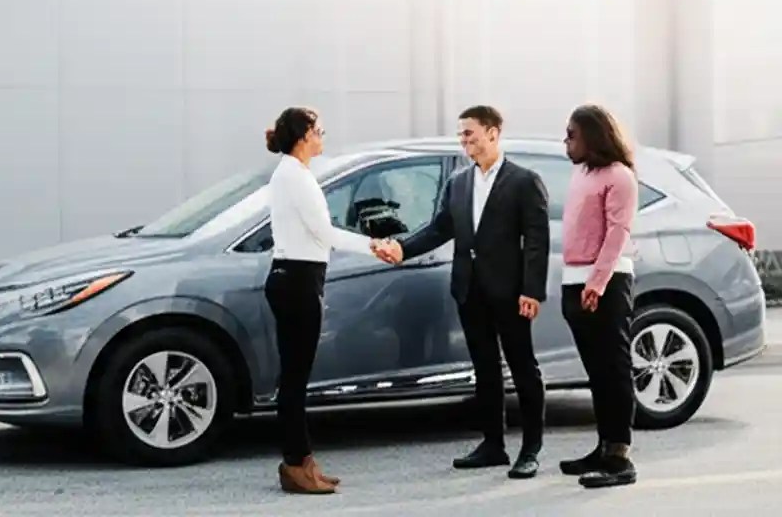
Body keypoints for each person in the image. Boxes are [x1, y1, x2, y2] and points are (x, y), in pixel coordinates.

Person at [371, 105, 550, 479]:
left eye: (470, 133)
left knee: (522, 368)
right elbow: (439, 230)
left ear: (493, 133)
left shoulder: (524, 181)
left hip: (511, 292)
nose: (464, 140)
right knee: (485, 369)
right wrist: (402, 249)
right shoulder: (460, 182)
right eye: (461, 134)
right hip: (469, 289)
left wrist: (532, 290)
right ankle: (493, 445)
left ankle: (530, 449)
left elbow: (537, 241)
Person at [262, 106, 371, 495]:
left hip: (295, 278)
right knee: (294, 380)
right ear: (305, 135)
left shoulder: (293, 174)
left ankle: (303, 461)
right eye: (319, 130)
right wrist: (375, 246)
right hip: (297, 281)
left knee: (296, 377)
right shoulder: (294, 175)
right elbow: (325, 233)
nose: (323, 136)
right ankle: (296, 465)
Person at [557, 104, 640, 488]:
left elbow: (617, 232)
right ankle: (604, 446)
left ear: (593, 135)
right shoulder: (581, 174)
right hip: (575, 280)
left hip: (605, 283)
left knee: (613, 368)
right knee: (596, 372)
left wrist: (597, 282)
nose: (566, 141)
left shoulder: (620, 176)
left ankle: (620, 458)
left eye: (572, 134)